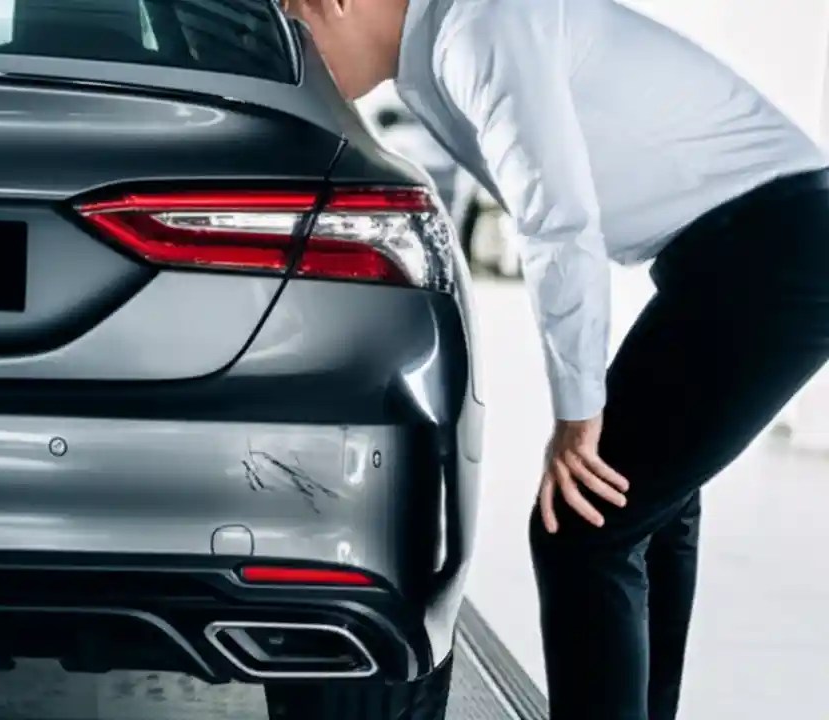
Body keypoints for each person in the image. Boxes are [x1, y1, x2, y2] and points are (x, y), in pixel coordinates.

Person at [281, 0, 829, 718]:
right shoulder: (434, 61)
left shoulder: (480, 27)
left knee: (582, 525)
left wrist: (578, 416)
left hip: (776, 248)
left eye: (293, 24)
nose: (292, 54)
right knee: (642, 509)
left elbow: (558, 220)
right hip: (741, 251)